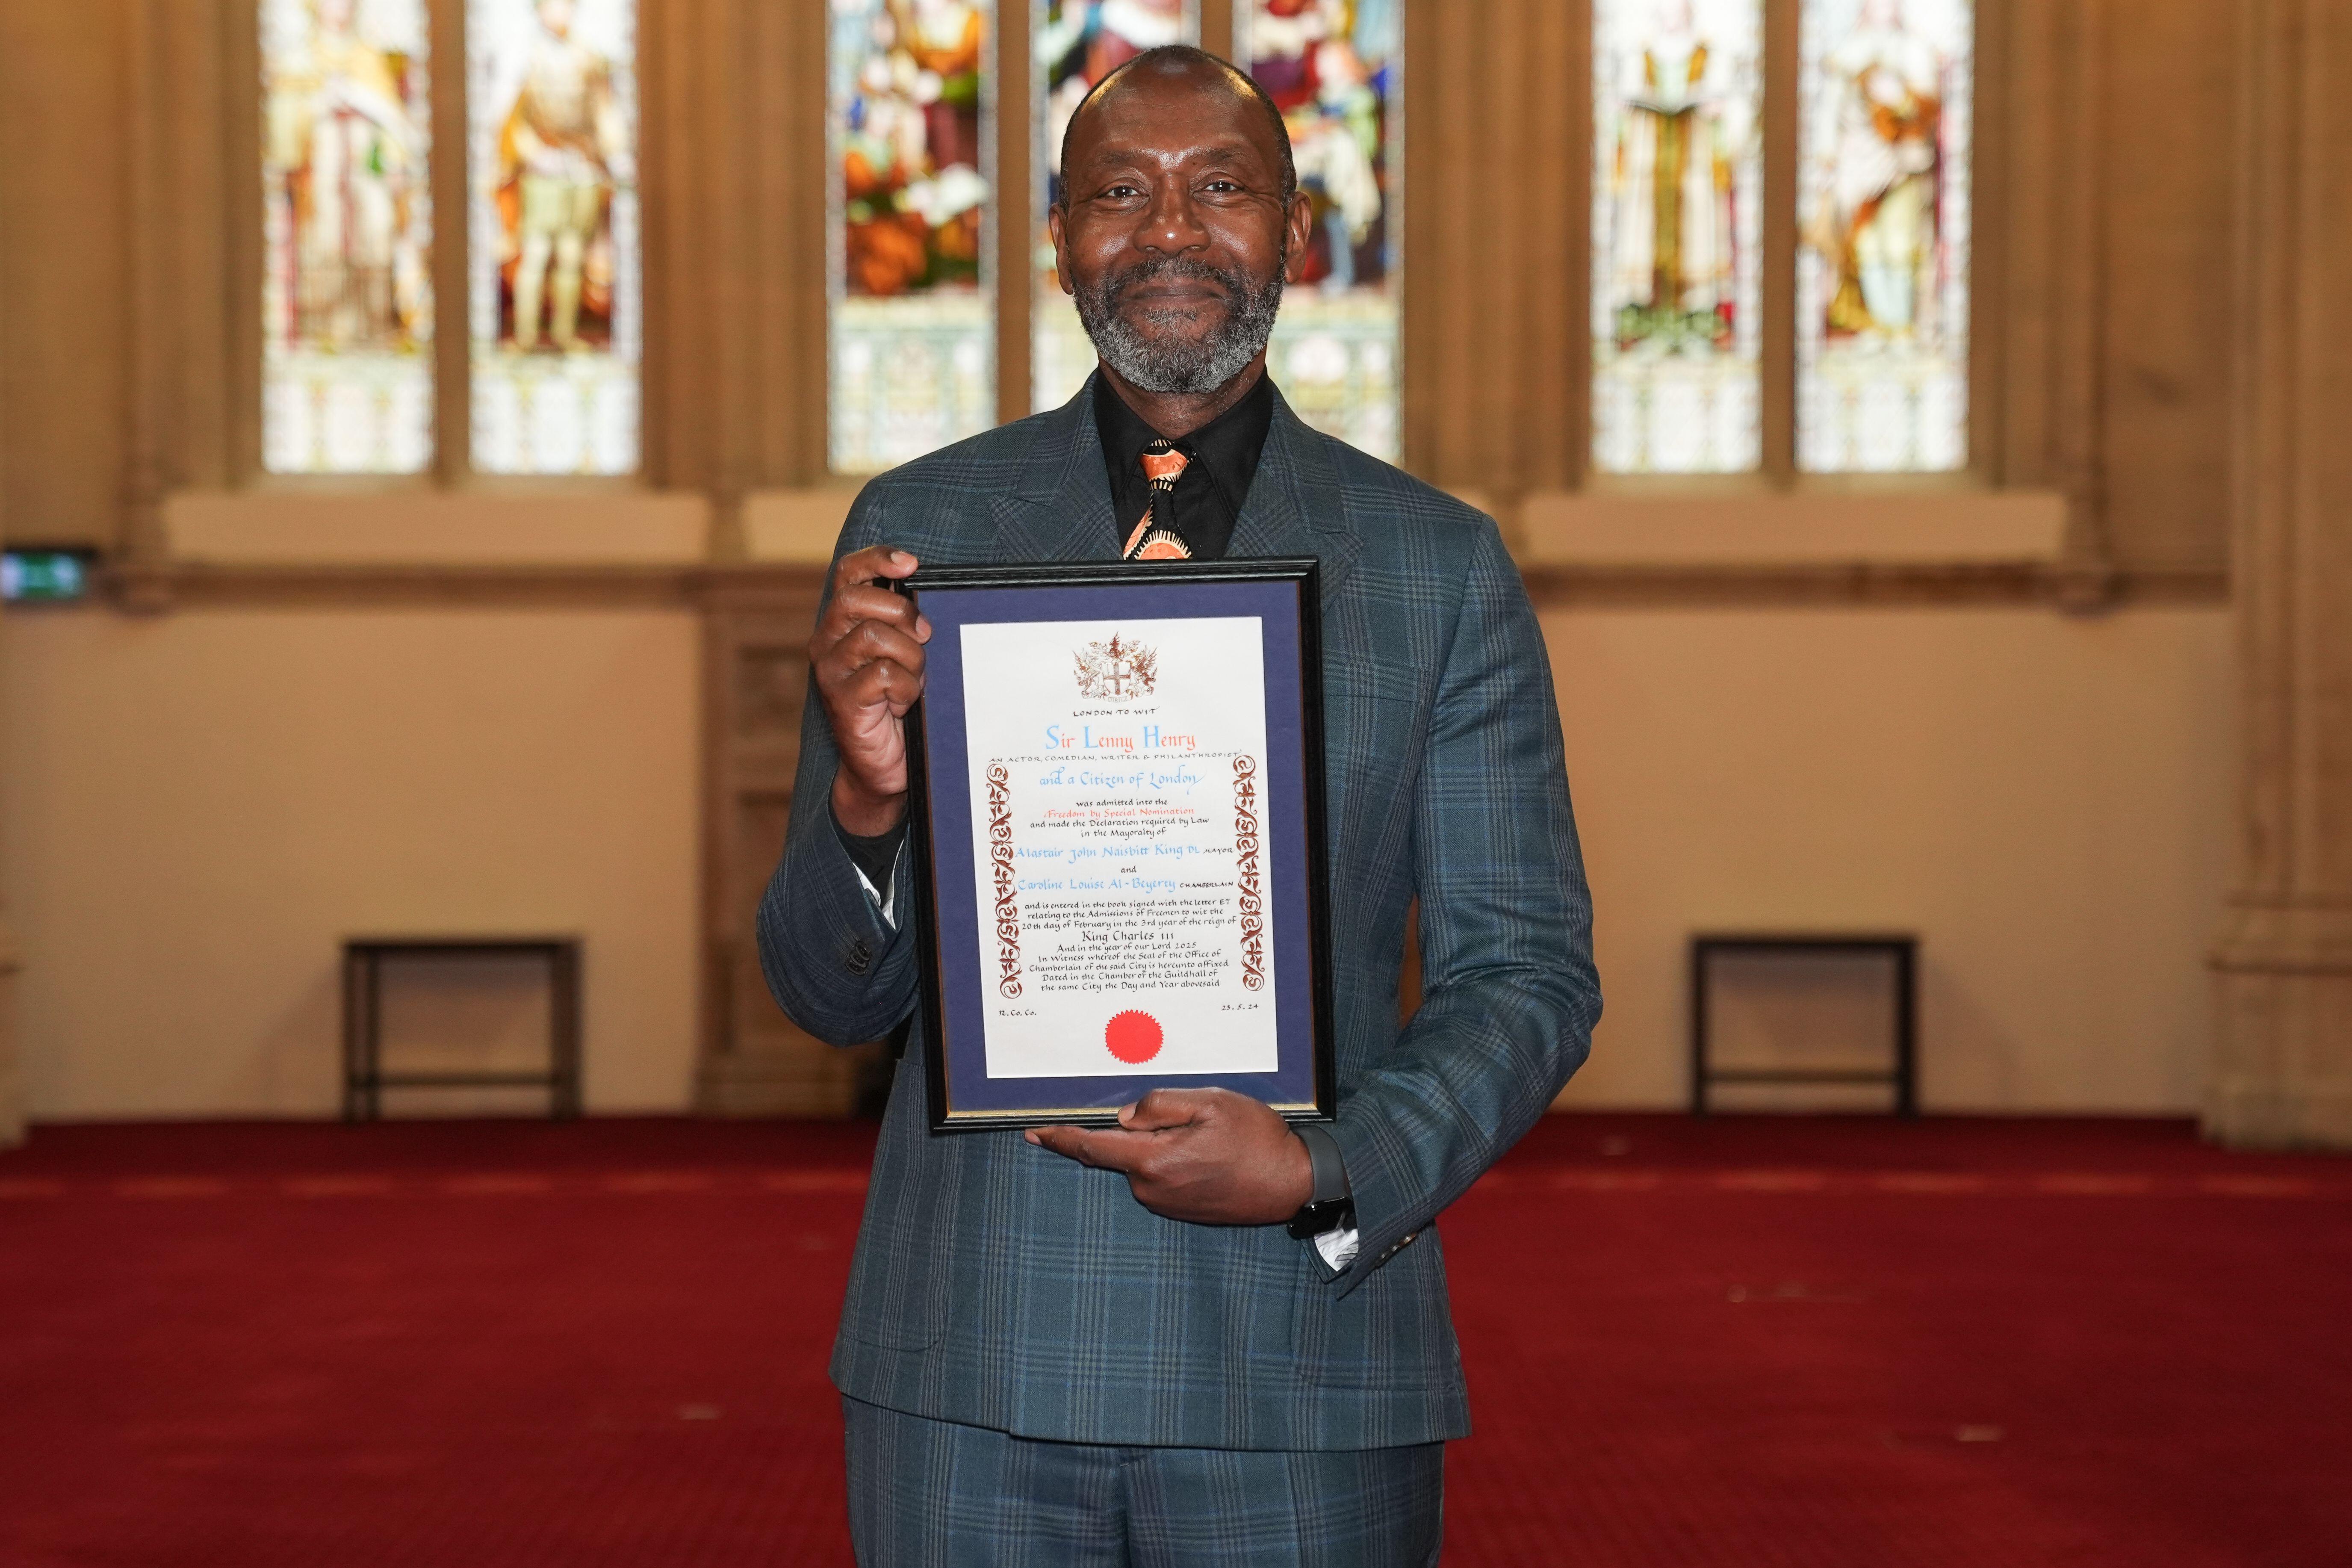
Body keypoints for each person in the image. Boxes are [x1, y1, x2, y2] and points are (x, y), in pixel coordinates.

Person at [759, 45, 1599, 1566]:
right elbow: (828, 996)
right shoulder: (923, 529)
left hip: (1303, 1342)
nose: (1168, 231)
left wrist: (1329, 1162)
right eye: (1117, 194)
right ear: (1061, 238)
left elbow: (1527, 971)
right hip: (972, 1347)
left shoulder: (1433, 565)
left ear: (1293, 228)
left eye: (1220, 188)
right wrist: (872, 803)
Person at [495, 0, 633, 352]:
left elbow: (602, 111)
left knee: (573, 254)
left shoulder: (588, 57)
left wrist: (615, 155)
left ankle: (564, 333)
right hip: (542, 167)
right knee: (537, 250)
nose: (559, 13)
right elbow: (515, 117)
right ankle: (525, 335)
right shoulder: (528, 57)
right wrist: (534, 154)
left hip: (581, 166)